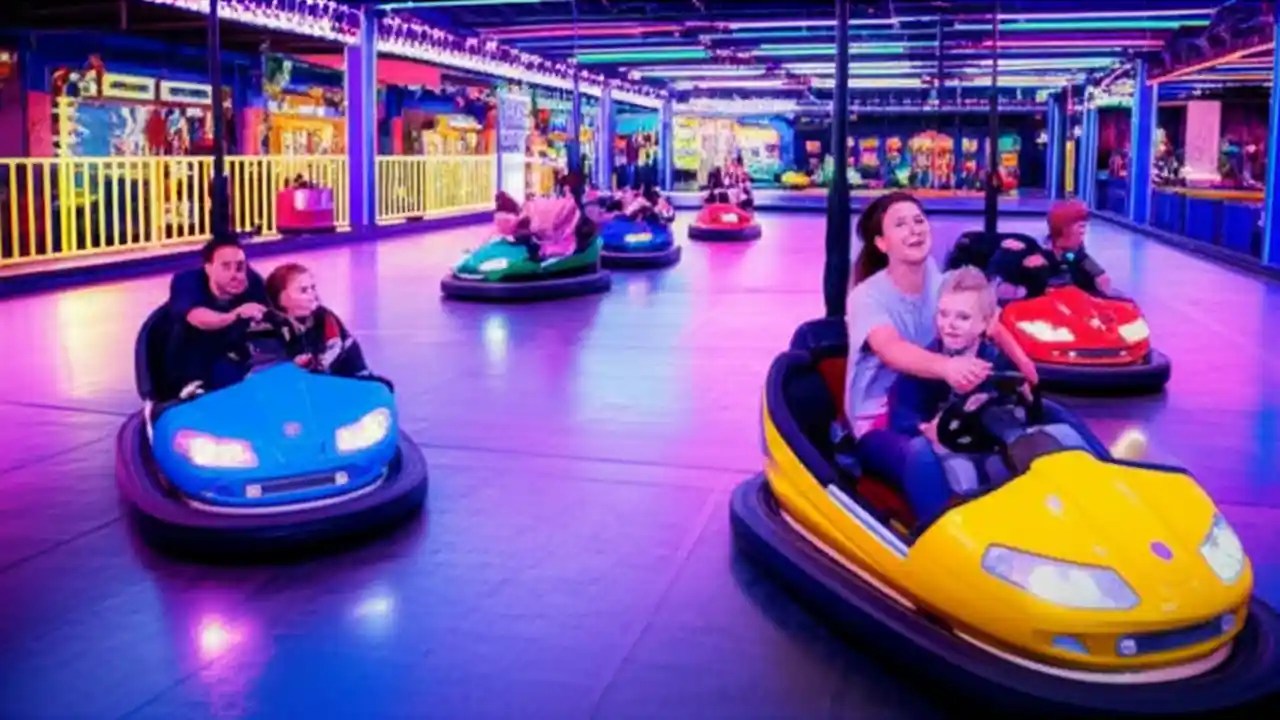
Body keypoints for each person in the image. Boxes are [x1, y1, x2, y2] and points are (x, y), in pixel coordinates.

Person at [841, 191, 1038, 511]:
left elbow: (989, 321)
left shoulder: (943, 283)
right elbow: (891, 349)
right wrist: (948, 367)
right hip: (882, 419)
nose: (914, 230)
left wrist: (1024, 365)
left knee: (1041, 422)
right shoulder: (867, 297)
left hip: (938, 401)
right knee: (922, 453)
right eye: (901, 224)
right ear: (881, 243)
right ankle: (940, 528)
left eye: (919, 220)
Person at [888, 266, 1089, 526]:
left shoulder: (997, 359)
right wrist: (927, 428)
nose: (949, 325)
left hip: (997, 439)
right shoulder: (926, 364)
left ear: (984, 323)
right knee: (930, 456)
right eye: (943, 314)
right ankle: (938, 526)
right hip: (945, 444)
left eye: (962, 317)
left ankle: (1105, 478)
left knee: (1058, 422)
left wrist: (1025, 399)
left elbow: (1022, 399)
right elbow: (903, 418)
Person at [166, 236, 269, 396]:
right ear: (209, 268)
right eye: (226, 267)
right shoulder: (187, 282)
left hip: (235, 354)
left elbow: (271, 315)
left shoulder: (252, 281)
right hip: (193, 361)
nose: (235, 274)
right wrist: (236, 314)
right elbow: (197, 318)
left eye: (240, 266)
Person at [988, 199, 1113, 299]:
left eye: (1084, 227)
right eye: (1079, 227)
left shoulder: (1076, 256)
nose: (1083, 231)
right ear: (1062, 228)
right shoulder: (1031, 249)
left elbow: (1077, 260)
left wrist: (1098, 275)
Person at [264, 263, 371, 378]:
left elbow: (335, 350)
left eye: (313, 288)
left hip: (346, 377)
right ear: (282, 298)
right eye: (304, 290)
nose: (313, 295)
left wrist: (313, 364)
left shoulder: (324, 317)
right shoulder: (272, 324)